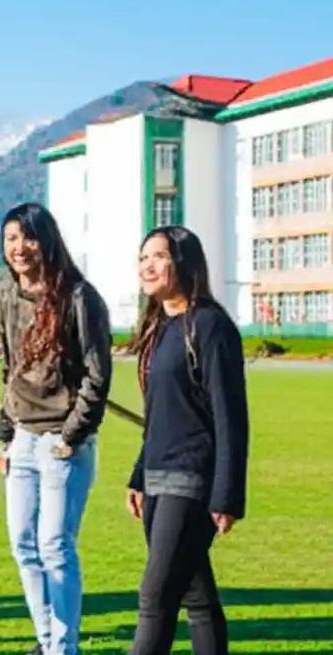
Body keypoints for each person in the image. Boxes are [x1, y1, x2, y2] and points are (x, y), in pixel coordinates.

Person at [0, 202, 112, 655]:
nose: (18, 248)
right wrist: (4, 435)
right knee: (24, 546)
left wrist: (70, 435)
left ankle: (64, 648)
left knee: (55, 547)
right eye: (10, 238)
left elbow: (97, 376)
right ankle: (46, 641)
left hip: (63, 441)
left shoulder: (79, 298)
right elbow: (11, 370)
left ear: (47, 240)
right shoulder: (6, 297)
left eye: (27, 237)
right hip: (21, 439)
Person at [127, 226, 248, 655]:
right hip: (158, 478)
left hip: (192, 480)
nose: (147, 265)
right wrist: (139, 474)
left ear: (184, 262)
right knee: (198, 599)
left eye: (158, 256)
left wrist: (228, 496)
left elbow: (231, 417)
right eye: (143, 257)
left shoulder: (210, 327)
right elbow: (158, 415)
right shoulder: (160, 328)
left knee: (155, 597)